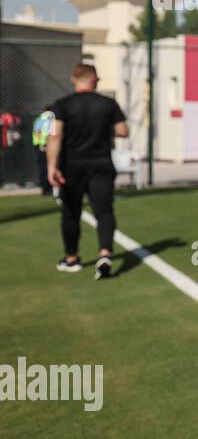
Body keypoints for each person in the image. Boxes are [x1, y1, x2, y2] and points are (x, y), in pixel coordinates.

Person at [46, 63, 128, 279]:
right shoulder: (108, 104)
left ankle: (71, 258)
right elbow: (122, 131)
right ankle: (105, 253)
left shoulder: (61, 105)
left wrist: (51, 166)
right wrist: (103, 129)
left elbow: (54, 136)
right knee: (104, 211)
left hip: (71, 166)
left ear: (74, 79)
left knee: (71, 212)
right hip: (101, 164)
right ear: (95, 80)